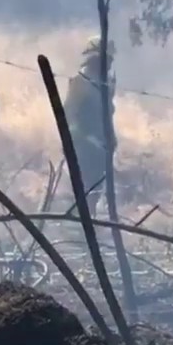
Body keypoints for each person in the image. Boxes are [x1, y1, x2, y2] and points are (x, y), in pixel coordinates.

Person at [63, 35, 117, 214]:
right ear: (95, 59)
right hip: (83, 151)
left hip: (101, 151)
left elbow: (107, 115)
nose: (110, 63)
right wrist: (89, 141)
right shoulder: (80, 83)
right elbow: (69, 120)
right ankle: (79, 231)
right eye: (107, 59)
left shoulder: (105, 83)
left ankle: (89, 226)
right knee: (83, 193)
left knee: (94, 195)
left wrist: (111, 140)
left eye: (111, 59)